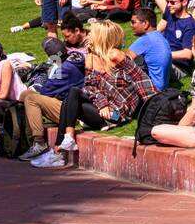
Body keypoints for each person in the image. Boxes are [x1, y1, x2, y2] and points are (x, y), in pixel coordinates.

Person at [30, 19, 156, 168]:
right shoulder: (90, 57)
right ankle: (65, 142)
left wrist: (155, 106)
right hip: (101, 110)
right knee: (72, 94)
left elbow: (141, 80)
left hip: (116, 114)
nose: (89, 36)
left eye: (93, 33)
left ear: (101, 37)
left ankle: (59, 151)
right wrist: (102, 103)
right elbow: (90, 87)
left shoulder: (116, 55)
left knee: (72, 95)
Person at [17, 38, 88, 161]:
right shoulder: (75, 56)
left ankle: (39, 143)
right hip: (73, 103)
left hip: (70, 111)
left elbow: (46, 91)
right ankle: (30, 137)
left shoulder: (64, 69)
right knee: (26, 95)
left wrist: (35, 88)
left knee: (30, 99)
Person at [146, 0, 195, 76]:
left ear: (184, 2)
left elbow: (188, 54)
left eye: (172, 2)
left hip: (179, 66)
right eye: (168, 1)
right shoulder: (170, 13)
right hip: (164, 58)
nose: (168, 4)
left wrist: (163, 54)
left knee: (150, 66)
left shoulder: (189, 25)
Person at [129, 7, 173, 90]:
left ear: (145, 24)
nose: (131, 25)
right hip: (163, 86)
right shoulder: (159, 35)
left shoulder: (146, 39)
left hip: (153, 88)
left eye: (133, 22)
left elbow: (122, 59)